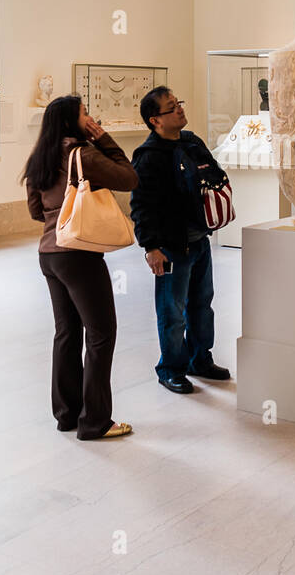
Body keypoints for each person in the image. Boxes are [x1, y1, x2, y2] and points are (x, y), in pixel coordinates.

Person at [24, 94, 138, 439]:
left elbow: (35, 211)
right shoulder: (83, 154)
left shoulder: (38, 159)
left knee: (67, 333)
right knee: (101, 334)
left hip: (49, 254)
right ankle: (95, 422)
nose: (90, 118)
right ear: (72, 122)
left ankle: (67, 415)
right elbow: (129, 177)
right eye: (85, 114)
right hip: (78, 254)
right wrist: (102, 136)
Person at [130, 87, 230, 394]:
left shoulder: (191, 142)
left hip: (199, 240)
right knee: (172, 311)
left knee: (202, 304)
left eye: (179, 104)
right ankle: (170, 367)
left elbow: (215, 174)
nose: (180, 110)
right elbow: (140, 206)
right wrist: (151, 247)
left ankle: (200, 359)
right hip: (172, 246)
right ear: (155, 120)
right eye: (171, 108)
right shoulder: (148, 157)